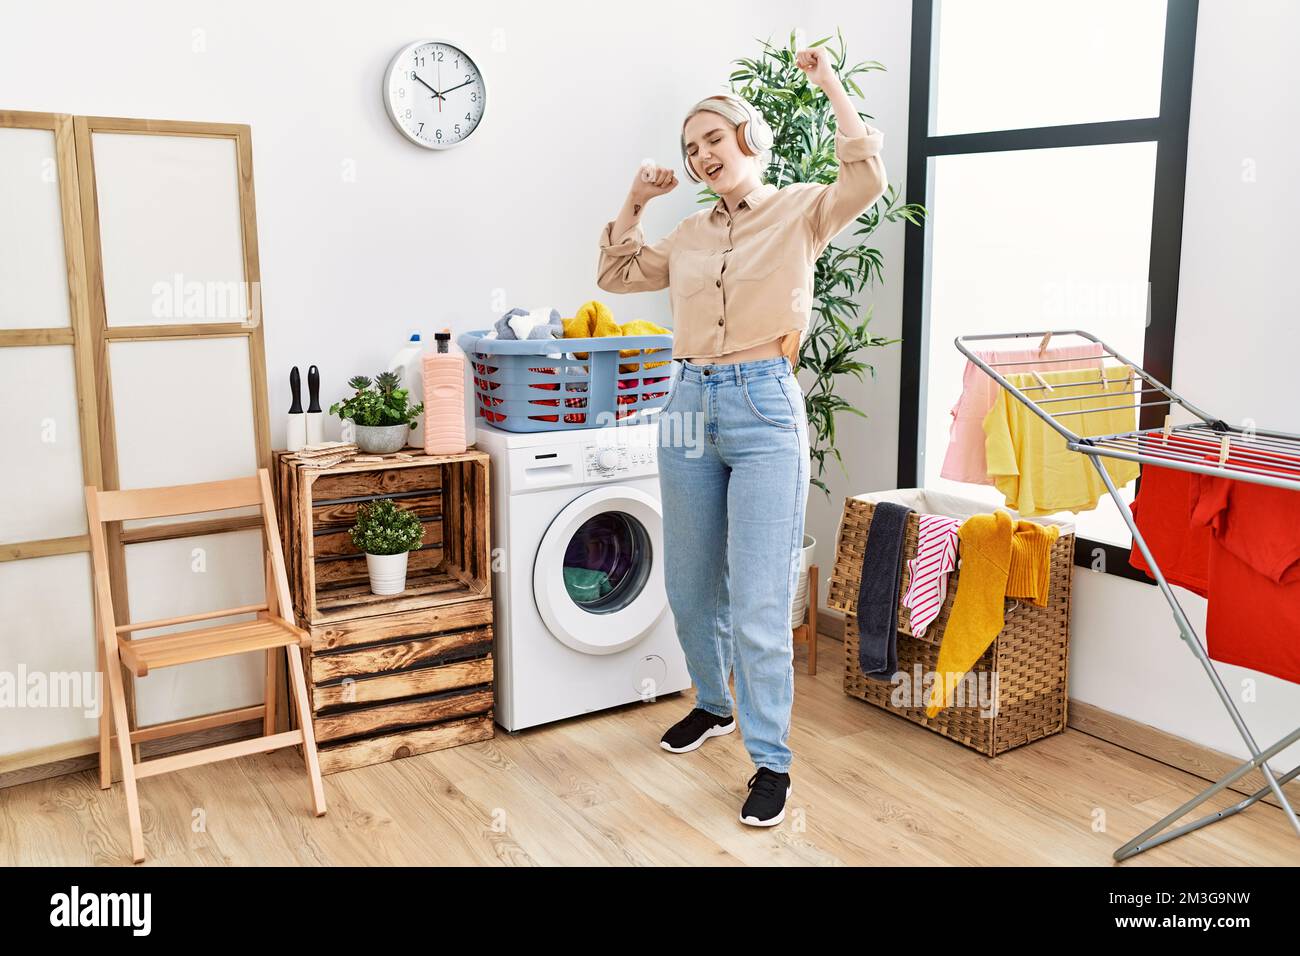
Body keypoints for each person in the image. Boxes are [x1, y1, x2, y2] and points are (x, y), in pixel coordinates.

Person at [595, 48, 888, 826]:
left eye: (712, 138)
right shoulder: (688, 232)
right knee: (690, 588)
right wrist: (635, 200)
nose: (701, 156)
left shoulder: (802, 209)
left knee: (758, 604)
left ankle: (770, 762)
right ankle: (715, 705)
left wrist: (828, 84)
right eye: (691, 148)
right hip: (687, 402)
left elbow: (866, 178)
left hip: (763, 409)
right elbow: (617, 274)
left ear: (747, 136)